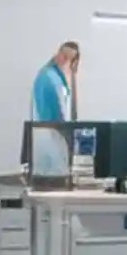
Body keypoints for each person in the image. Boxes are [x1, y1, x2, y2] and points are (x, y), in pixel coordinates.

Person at [29, 42, 80, 175]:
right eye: (63, 56)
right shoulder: (49, 78)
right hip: (51, 133)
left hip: (51, 134)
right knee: (53, 170)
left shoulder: (55, 76)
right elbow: (54, 111)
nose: (63, 59)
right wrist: (65, 132)